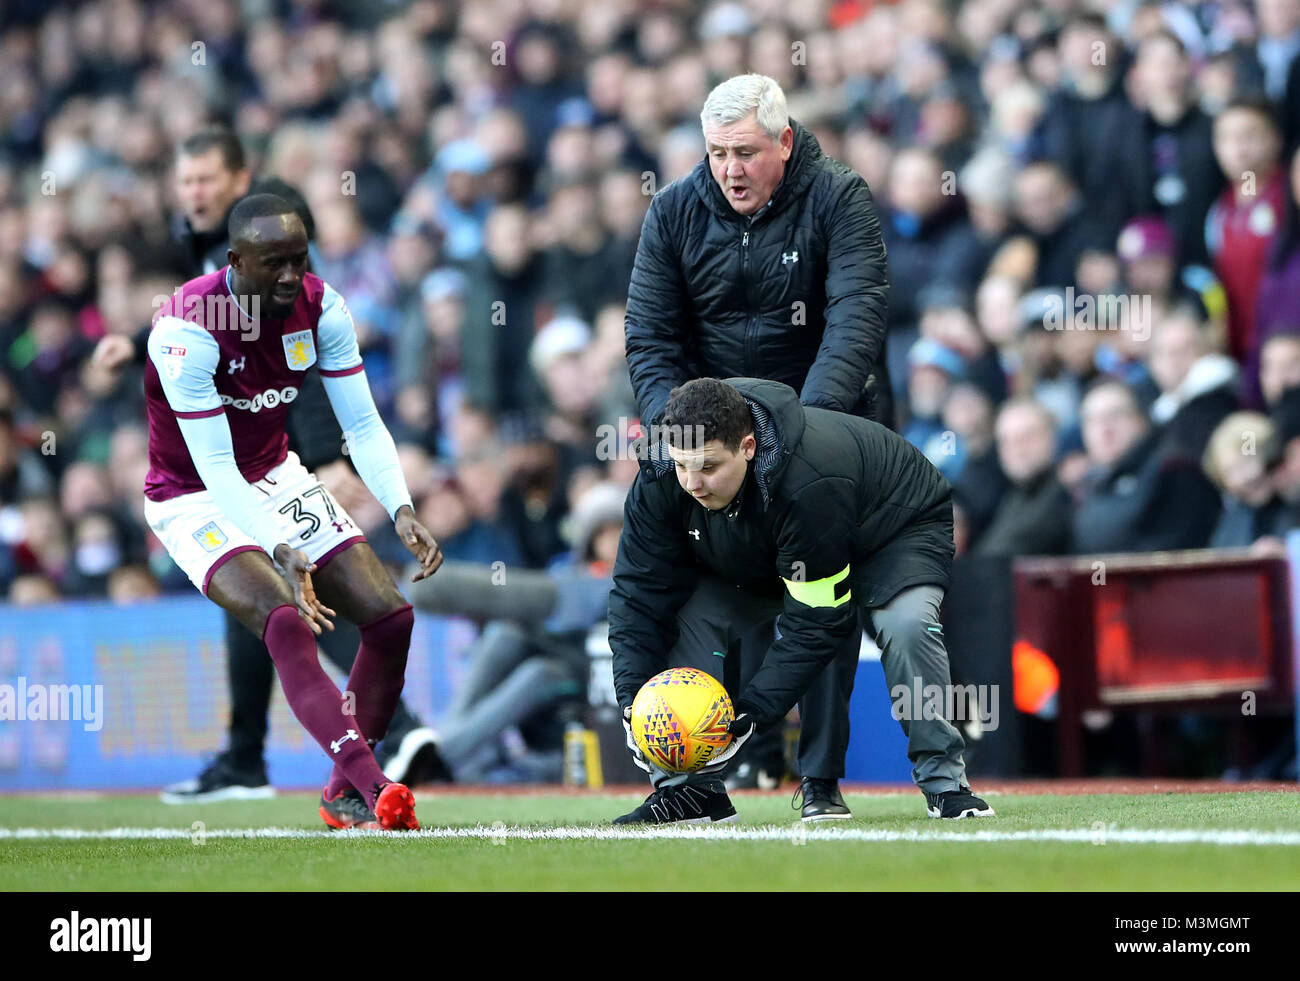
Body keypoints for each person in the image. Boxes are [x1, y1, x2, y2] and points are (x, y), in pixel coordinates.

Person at [93, 128, 443, 802]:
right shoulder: (185, 331)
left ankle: (345, 787)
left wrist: (399, 505)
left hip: (274, 470)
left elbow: (362, 421)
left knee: (392, 618)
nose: (292, 278)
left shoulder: (322, 306)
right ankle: (374, 790)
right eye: (275, 264)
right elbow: (216, 466)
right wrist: (281, 546)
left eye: (300, 259)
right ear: (235, 262)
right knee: (283, 619)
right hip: (191, 493)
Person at [621, 74, 891, 817]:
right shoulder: (673, 211)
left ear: (785, 142)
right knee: (701, 596)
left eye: (744, 151)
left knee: (822, 599)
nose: (729, 169)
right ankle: (696, 781)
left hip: (824, 430)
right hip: (715, 436)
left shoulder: (840, 198)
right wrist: (677, 435)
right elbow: (648, 336)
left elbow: (856, 322)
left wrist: (806, 437)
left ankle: (821, 782)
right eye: (715, 153)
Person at [608, 377, 992, 824]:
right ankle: (689, 793)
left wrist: (752, 713)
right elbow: (637, 593)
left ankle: (945, 783)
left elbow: (816, 622)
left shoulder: (808, 482)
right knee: (683, 615)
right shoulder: (659, 475)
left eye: (709, 466)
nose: (692, 483)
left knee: (905, 626)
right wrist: (632, 701)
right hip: (772, 545)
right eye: (682, 466)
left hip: (895, 529)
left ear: (748, 447)